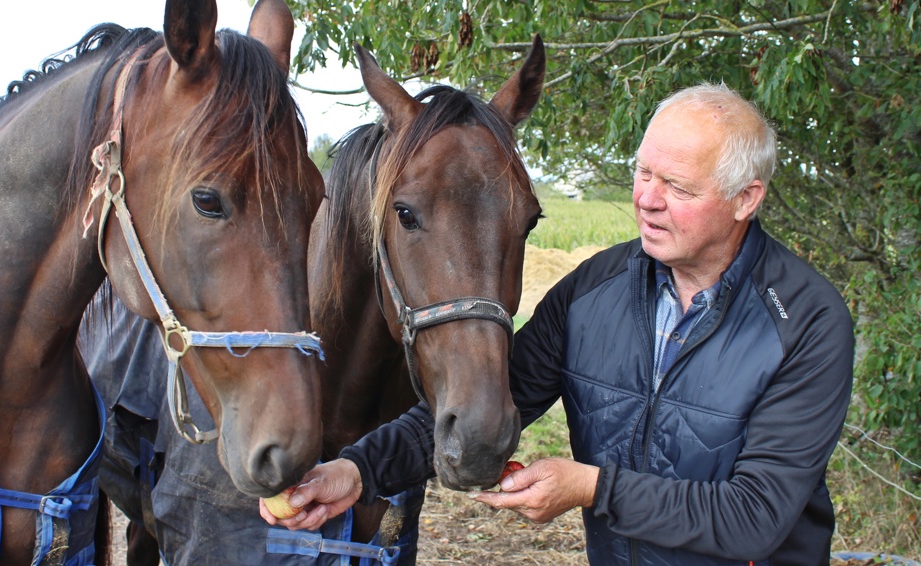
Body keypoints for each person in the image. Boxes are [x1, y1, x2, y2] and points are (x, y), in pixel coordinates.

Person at [260, 82, 855, 565]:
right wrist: (356, 471)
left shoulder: (804, 321)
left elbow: (754, 518)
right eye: (644, 173)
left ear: (745, 198)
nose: (646, 199)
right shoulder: (595, 291)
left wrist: (592, 488)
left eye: (675, 186)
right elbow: (495, 393)